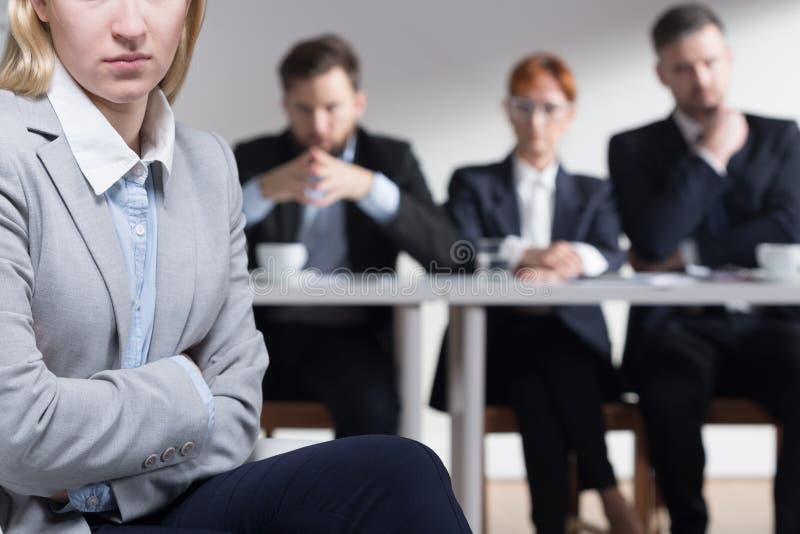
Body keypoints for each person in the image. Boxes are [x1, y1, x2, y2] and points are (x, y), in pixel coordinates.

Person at [0, 1, 471, 532]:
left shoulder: (209, 162)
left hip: (180, 491)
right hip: (47, 519)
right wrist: (192, 388)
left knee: (404, 468)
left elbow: (241, 412)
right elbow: (17, 433)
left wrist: (105, 483)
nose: (130, 26)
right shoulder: (9, 148)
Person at [429, 53, 642, 534]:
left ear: (570, 114)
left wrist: (570, 261)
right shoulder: (473, 182)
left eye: (549, 108)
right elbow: (458, 249)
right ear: (507, 110)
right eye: (524, 107)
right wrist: (526, 253)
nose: (536, 121)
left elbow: (611, 252)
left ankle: (552, 522)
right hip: (494, 349)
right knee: (541, 363)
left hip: (572, 349)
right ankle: (607, 492)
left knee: (543, 379)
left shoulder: (593, 191)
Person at [609, 4, 800, 533]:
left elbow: (789, 225)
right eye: (684, 68)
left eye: (711, 62)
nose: (702, 79)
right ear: (661, 74)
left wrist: (689, 254)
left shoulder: (780, 136)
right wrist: (713, 154)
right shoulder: (632, 147)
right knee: (668, 395)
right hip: (677, 329)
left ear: (729, 59)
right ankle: (688, 527)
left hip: (766, 326)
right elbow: (653, 238)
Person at [234, 34, 458, 438]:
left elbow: (452, 258)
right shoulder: (254, 159)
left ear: (358, 103)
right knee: (208, 404)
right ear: (286, 105)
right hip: (263, 338)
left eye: (332, 108)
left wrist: (372, 189)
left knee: (374, 411)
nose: (318, 126)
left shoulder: (391, 160)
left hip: (355, 339)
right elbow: (202, 250)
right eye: (304, 109)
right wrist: (261, 192)